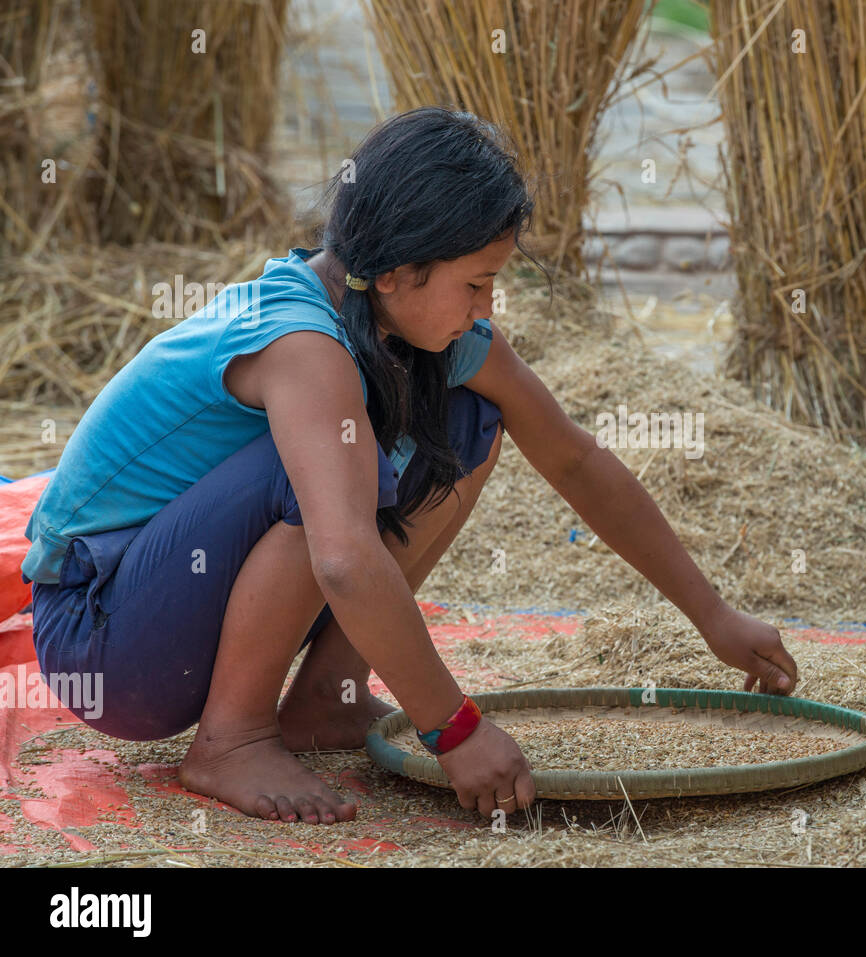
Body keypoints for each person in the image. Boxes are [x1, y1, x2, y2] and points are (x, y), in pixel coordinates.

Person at [21, 106, 799, 826]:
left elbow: (575, 457)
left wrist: (712, 614)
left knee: (468, 419)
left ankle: (329, 692)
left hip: (177, 613)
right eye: (475, 283)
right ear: (395, 273)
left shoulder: (414, 325)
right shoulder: (302, 344)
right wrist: (453, 728)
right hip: (104, 634)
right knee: (325, 475)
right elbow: (344, 557)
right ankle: (231, 738)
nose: (486, 307)